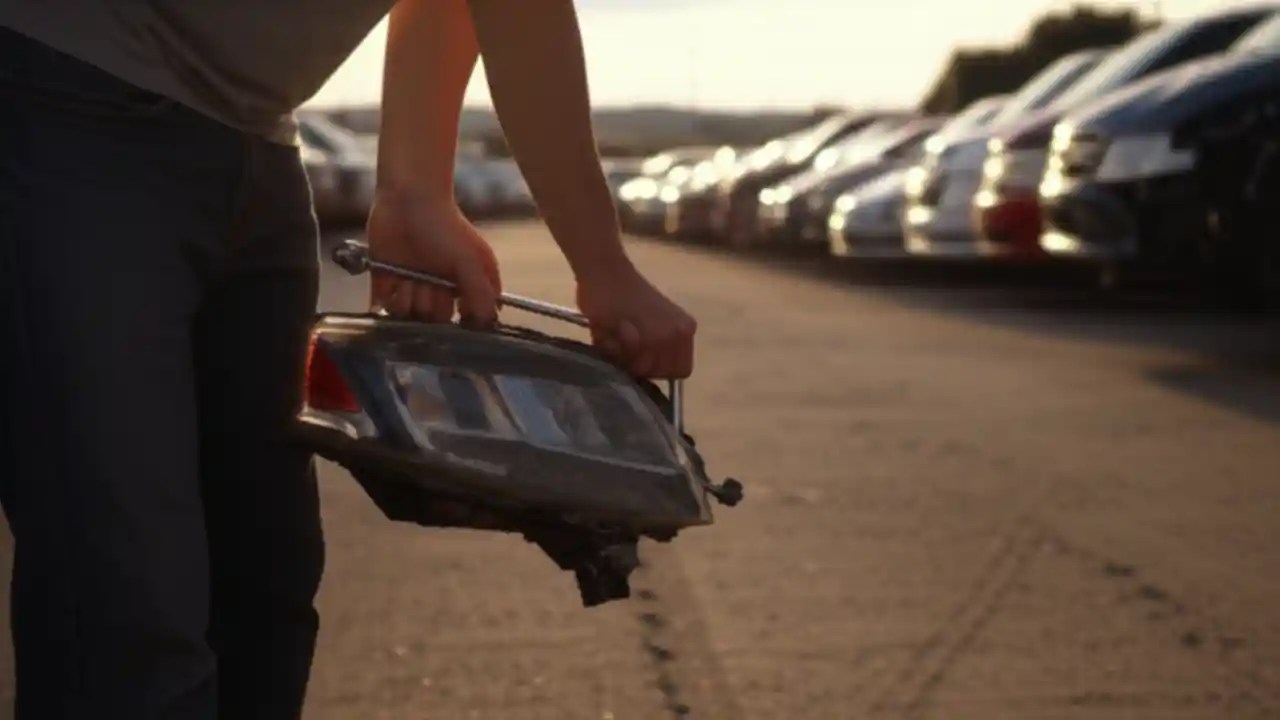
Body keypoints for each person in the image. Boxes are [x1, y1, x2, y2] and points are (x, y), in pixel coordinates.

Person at [0, 1, 696, 717]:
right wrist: (602, 268)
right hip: (60, 98)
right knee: (123, 614)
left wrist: (416, 188)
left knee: (262, 602)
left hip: (258, 142)